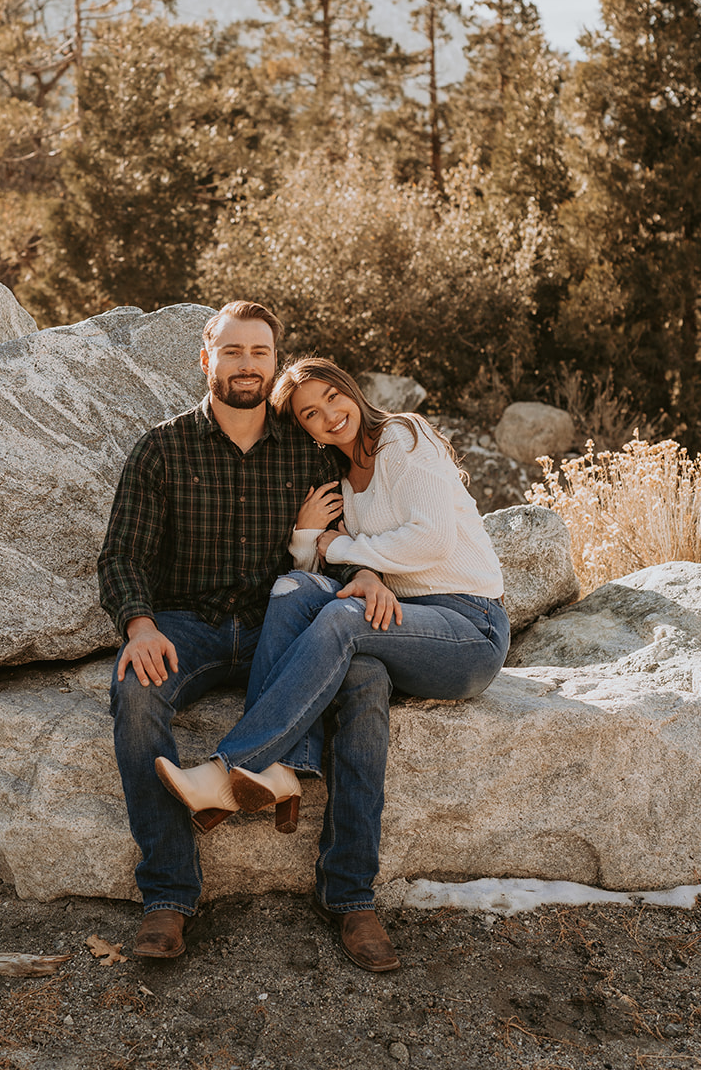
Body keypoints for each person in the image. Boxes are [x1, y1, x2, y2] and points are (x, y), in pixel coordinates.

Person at [155, 357, 509, 956]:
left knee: (342, 618)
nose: (329, 416)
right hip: (393, 625)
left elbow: (430, 540)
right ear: (305, 429)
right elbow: (318, 566)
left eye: (331, 398)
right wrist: (312, 539)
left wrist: (342, 547)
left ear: (350, 389)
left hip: (466, 627)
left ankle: (234, 765)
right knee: (298, 596)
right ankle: (344, 887)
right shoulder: (340, 481)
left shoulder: (403, 436)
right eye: (310, 414)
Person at [98, 305, 402, 971]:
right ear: (205, 360)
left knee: (368, 680)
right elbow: (121, 557)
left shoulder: (308, 450)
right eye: (231, 351)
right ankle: (169, 896)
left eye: (259, 352)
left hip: (282, 625)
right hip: (188, 626)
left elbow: (342, 540)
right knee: (135, 690)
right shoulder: (162, 449)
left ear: (274, 362)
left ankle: (350, 895)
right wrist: (139, 626)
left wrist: (366, 573)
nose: (246, 365)